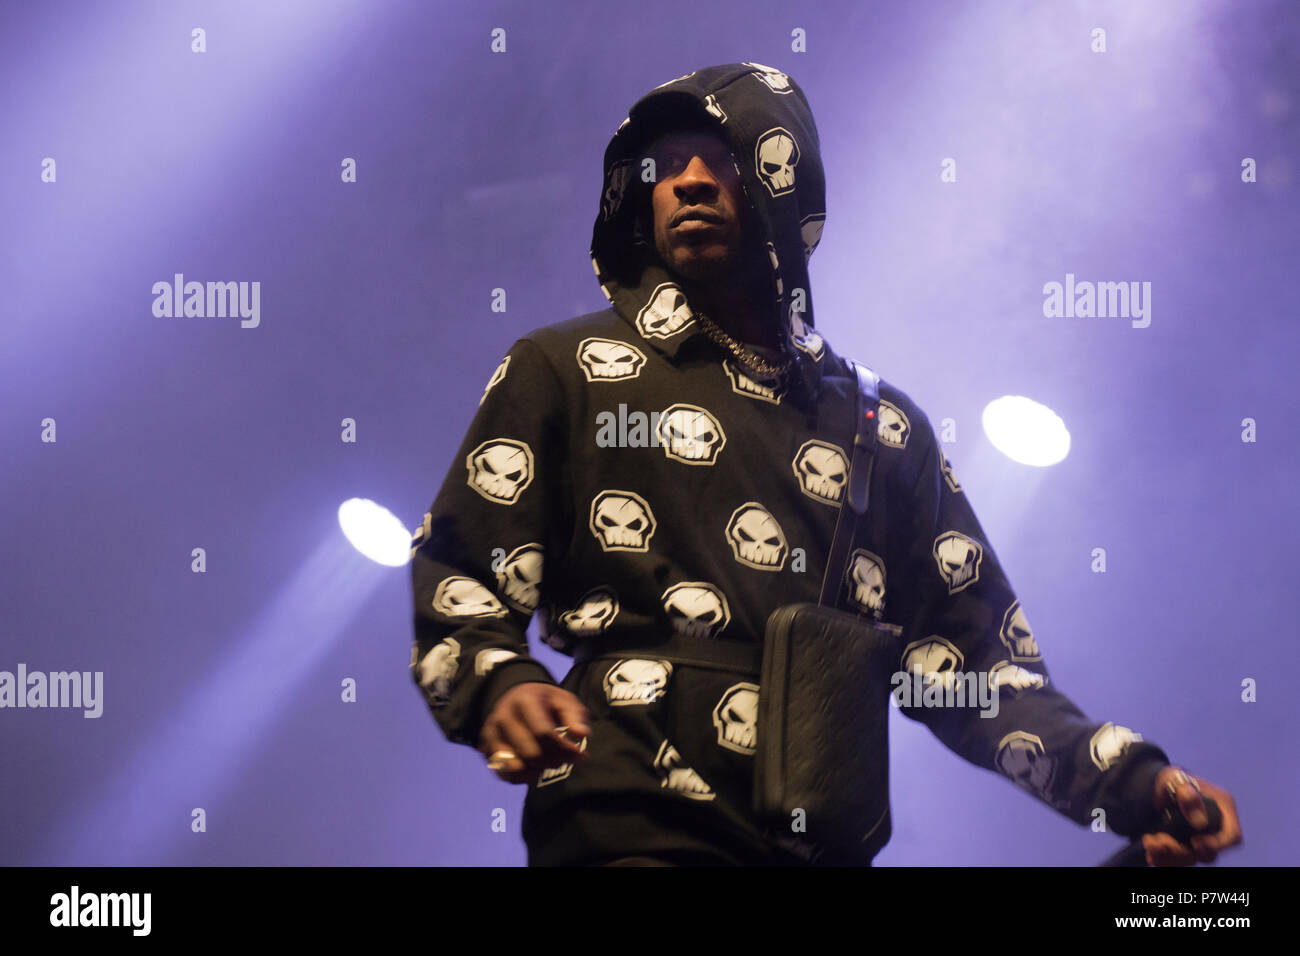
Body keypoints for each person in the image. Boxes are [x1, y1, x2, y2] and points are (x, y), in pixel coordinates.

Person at [408, 62, 1242, 867]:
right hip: (626, 819)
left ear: (786, 181)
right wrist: (503, 685)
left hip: (817, 835)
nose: (689, 180)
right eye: (663, 164)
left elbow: (971, 675)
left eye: (724, 159)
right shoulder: (566, 366)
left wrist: (1138, 786)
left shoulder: (881, 426)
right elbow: (461, 574)